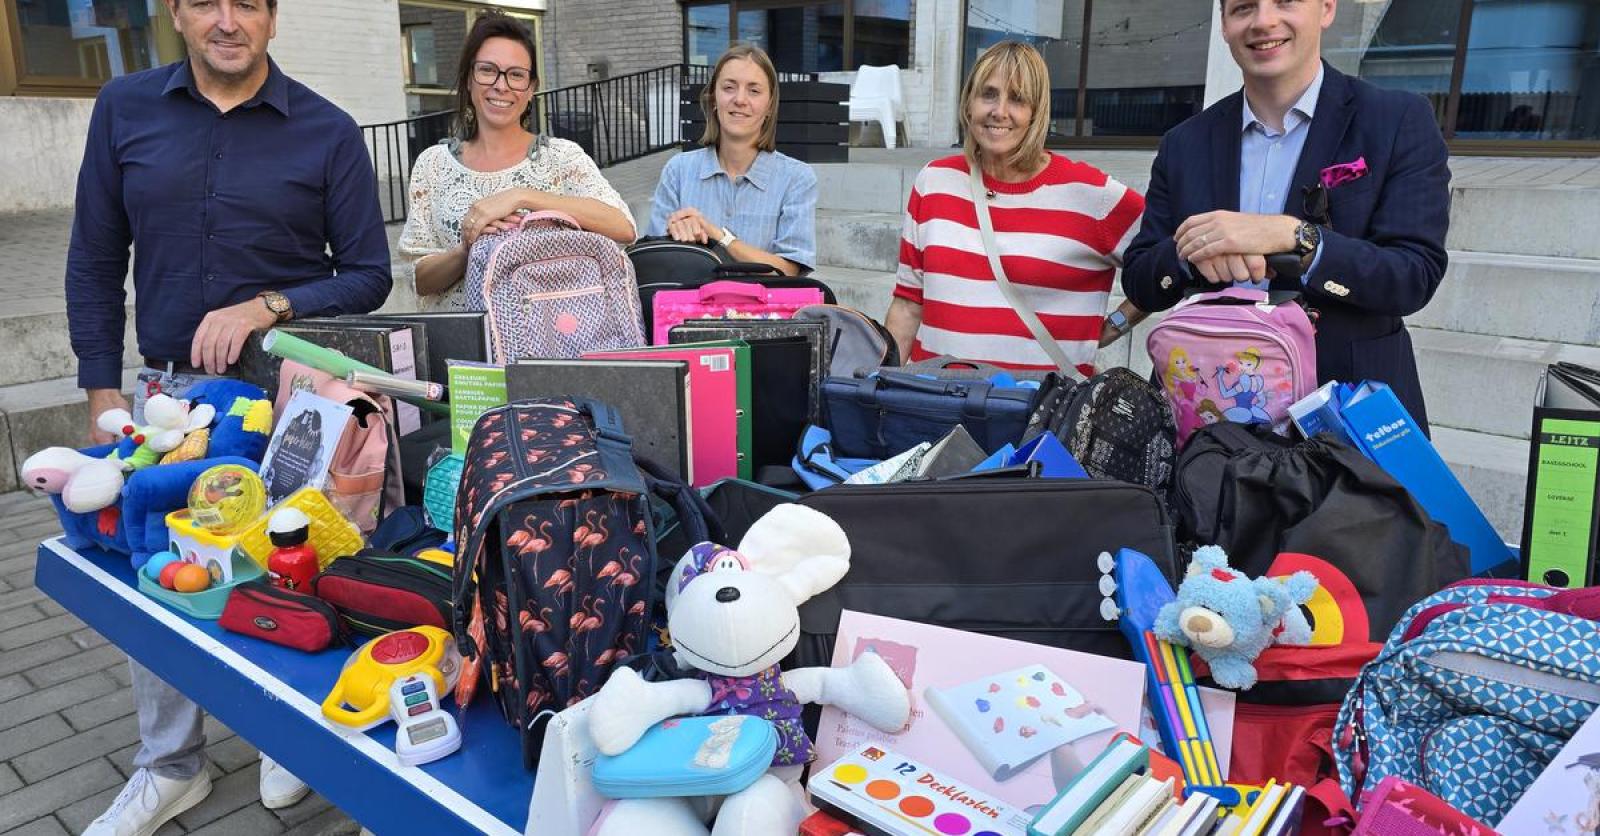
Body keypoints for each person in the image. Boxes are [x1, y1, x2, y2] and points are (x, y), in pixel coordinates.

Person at [65, 0, 393, 832]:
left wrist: (268, 304)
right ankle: (171, 764)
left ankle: (285, 736)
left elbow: (367, 272)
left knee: (285, 561)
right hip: (166, 401)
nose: (226, 19)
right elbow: (96, 256)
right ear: (177, 12)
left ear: (273, 19)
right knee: (158, 566)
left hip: (290, 403)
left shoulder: (328, 129)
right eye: (206, 0)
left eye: (247, 2)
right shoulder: (125, 109)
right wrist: (101, 388)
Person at [1120, 0, 1450, 429]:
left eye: (1284, 2)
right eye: (1243, 8)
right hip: (1206, 423)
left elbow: (1413, 274)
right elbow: (1142, 279)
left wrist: (1298, 237)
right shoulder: (1184, 143)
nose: (1263, 22)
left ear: (1326, 8)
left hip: (1346, 425)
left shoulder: (1397, 120)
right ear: (1223, 24)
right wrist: (1192, 252)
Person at [885, 41, 1147, 375]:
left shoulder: (1091, 194)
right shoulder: (934, 180)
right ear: (968, 103)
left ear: (1037, 112)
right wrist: (882, 391)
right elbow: (908, 305)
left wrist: (1116, 324)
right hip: (936, 407)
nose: (1000, 111)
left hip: (1040, 417)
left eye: (1018, 99)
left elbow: (1166, 266)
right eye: (989, 94)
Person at [400, 13, 636, 310]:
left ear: (531, 88)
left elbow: (623, 227)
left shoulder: (561, 157)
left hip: (551, 342)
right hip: (459, 347)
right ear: (468, 79)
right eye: (488, 70)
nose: (501, 86)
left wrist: (522, 196)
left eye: (516, 74)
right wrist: (468, 249)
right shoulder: (433, 164)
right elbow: (418, 279)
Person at [646, 44, 817, 276]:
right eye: (729, 87)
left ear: (769, 106)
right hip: (689, 309)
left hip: (766, 312)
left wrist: (718, 236)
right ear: (714, 99)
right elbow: (655, 261)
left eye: (754, 91)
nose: (740, 99)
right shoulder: (678, 170)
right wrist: (676, 235)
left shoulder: (797, 178)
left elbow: (789, 271)